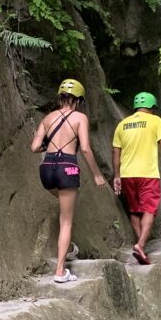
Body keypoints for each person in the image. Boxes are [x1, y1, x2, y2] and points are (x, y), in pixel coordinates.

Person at [32, 78, 106, 284]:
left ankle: (68, 248)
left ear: (60, 98)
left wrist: (49, 144)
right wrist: (97, 174)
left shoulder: (48, 118)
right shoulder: (80, 118)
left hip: (47, 169)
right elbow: (85, 149)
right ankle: (60, 271)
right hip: (67, 167)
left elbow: (34, 147)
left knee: (65, 204)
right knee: (66, 221)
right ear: (78, 100)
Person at [111, 92, 161, 265]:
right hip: (148, 174)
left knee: (134, 211)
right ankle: (141, 244)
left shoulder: (122, 124)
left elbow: (115, 151)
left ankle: (140, 247)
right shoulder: (155, 121)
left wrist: (117, 175)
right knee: (149, 210)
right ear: (151, 106)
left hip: (127, 174)